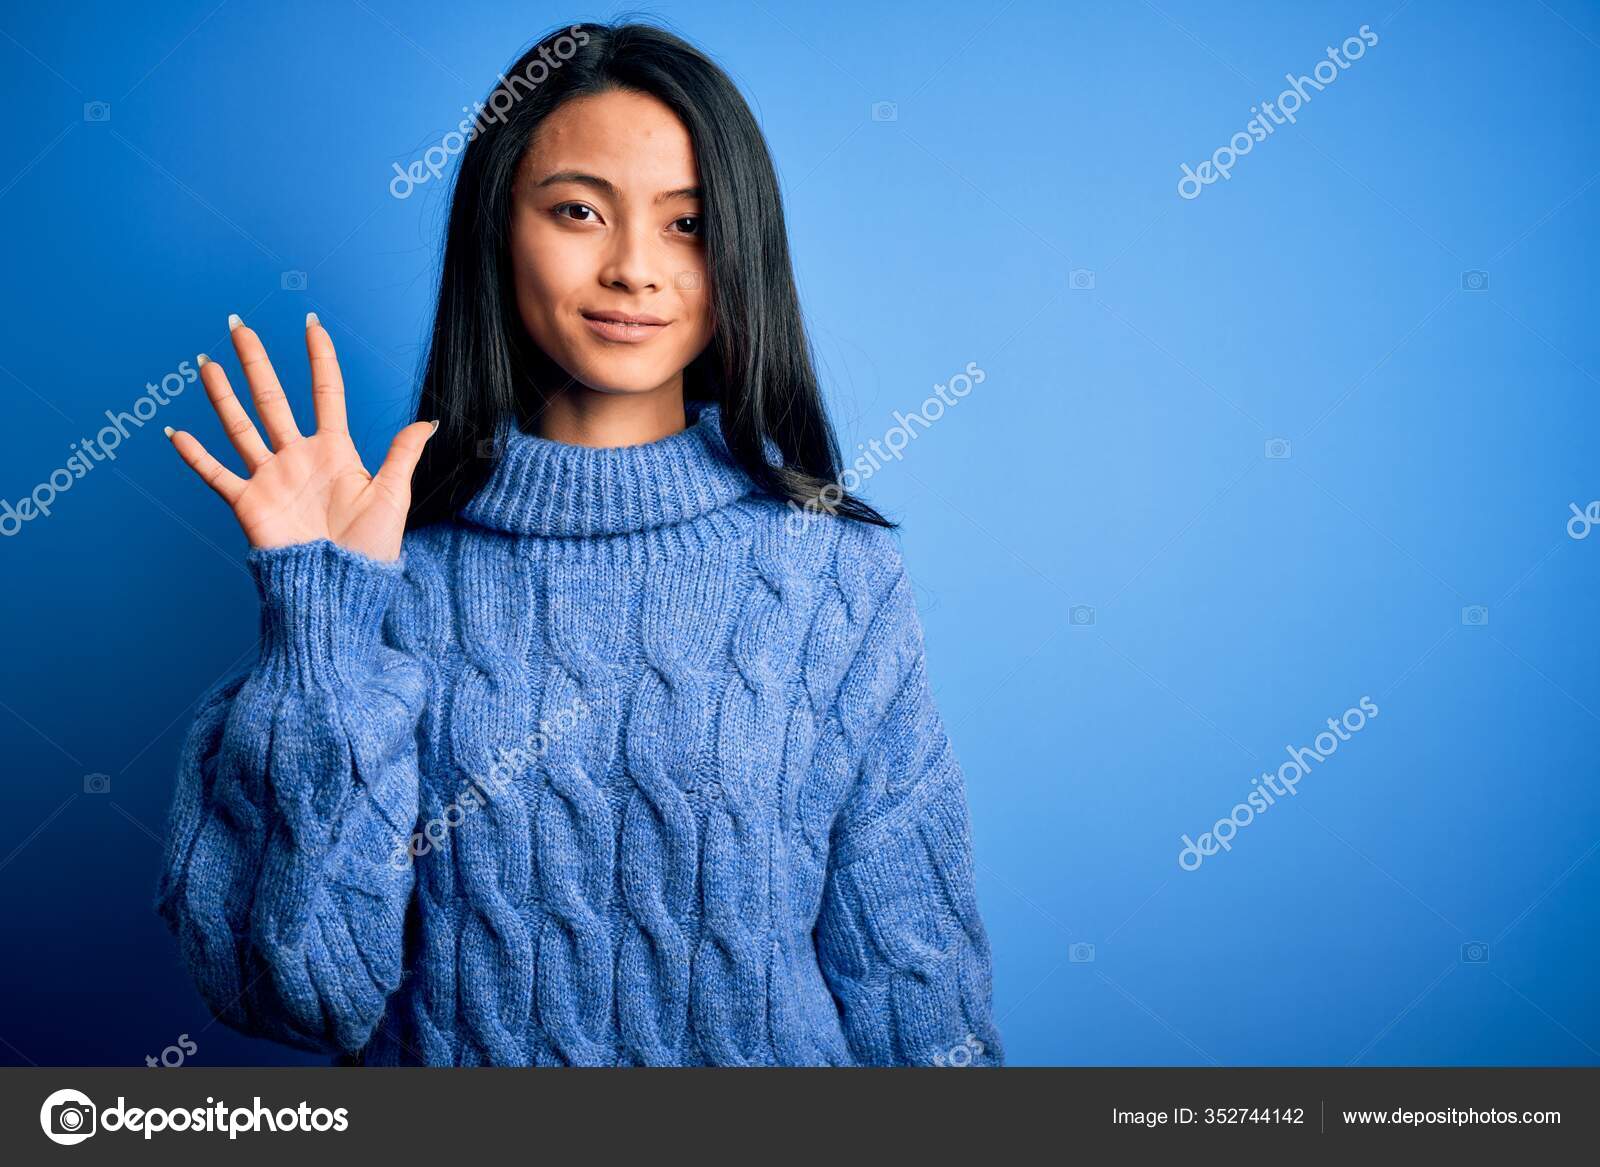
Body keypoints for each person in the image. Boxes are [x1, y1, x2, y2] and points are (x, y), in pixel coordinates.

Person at [154, 20, 1003, 1067]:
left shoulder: (834, 577)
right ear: (498, 229)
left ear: (741, 248)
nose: (634, 268)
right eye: (578, 211)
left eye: (687, 223)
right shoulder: (383, 574)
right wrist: (322, 615)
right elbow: (300, 991)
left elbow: (919, 988)